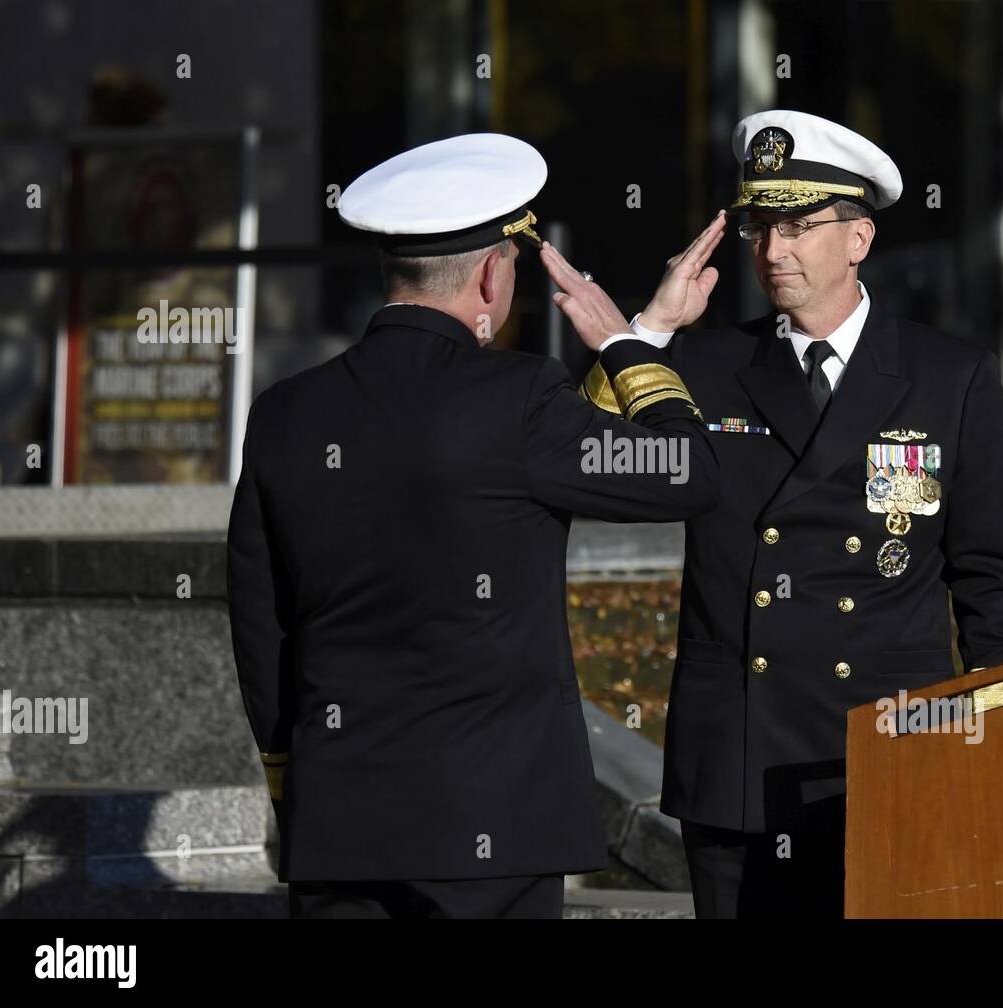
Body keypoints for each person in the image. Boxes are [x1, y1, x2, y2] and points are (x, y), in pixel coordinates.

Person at [227, 133, 719, 919]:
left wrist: (296, 781)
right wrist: (628, 344)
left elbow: (260, 621)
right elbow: (688, 470)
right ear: (493, 272)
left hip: (340, 826)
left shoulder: (286, 412)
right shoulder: (520, 396)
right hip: (495, 830)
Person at [583, 109, 1003, 918]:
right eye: (761, 227)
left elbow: (990, 573)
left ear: (858, 238)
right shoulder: (709, 362)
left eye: (797, 225)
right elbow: (587, 456)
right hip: (741, 759)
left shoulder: (949, 377)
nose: (772, 250)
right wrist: (649, 328)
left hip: (888, 748)